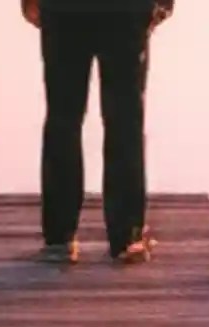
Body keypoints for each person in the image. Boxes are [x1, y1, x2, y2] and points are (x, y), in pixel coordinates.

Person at [21, 0, 175, 264]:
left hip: (65, 13)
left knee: (64, 120)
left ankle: (60, 238)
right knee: (124, 121)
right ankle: (126, 236)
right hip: (123, 13)